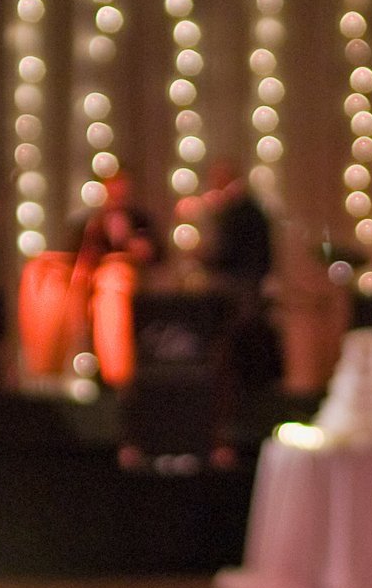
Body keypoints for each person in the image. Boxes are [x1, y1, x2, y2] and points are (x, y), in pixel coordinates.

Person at [16, 167, 163, 385]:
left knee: (113, 281)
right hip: (83, 288)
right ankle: (45, 368)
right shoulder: (88, 223)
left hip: (126, 292)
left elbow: (156, 255)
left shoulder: (139, 220)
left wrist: (129, 241)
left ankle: (117, 372)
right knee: (44, 276)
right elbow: (74, 255)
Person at [183, 159, 281, 463]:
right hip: (247, 295)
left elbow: (230, 256)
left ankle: (234, 430)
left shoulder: (239, 213)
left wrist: (202, 257)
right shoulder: (252, 210)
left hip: (238, 299)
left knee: (232, 361)